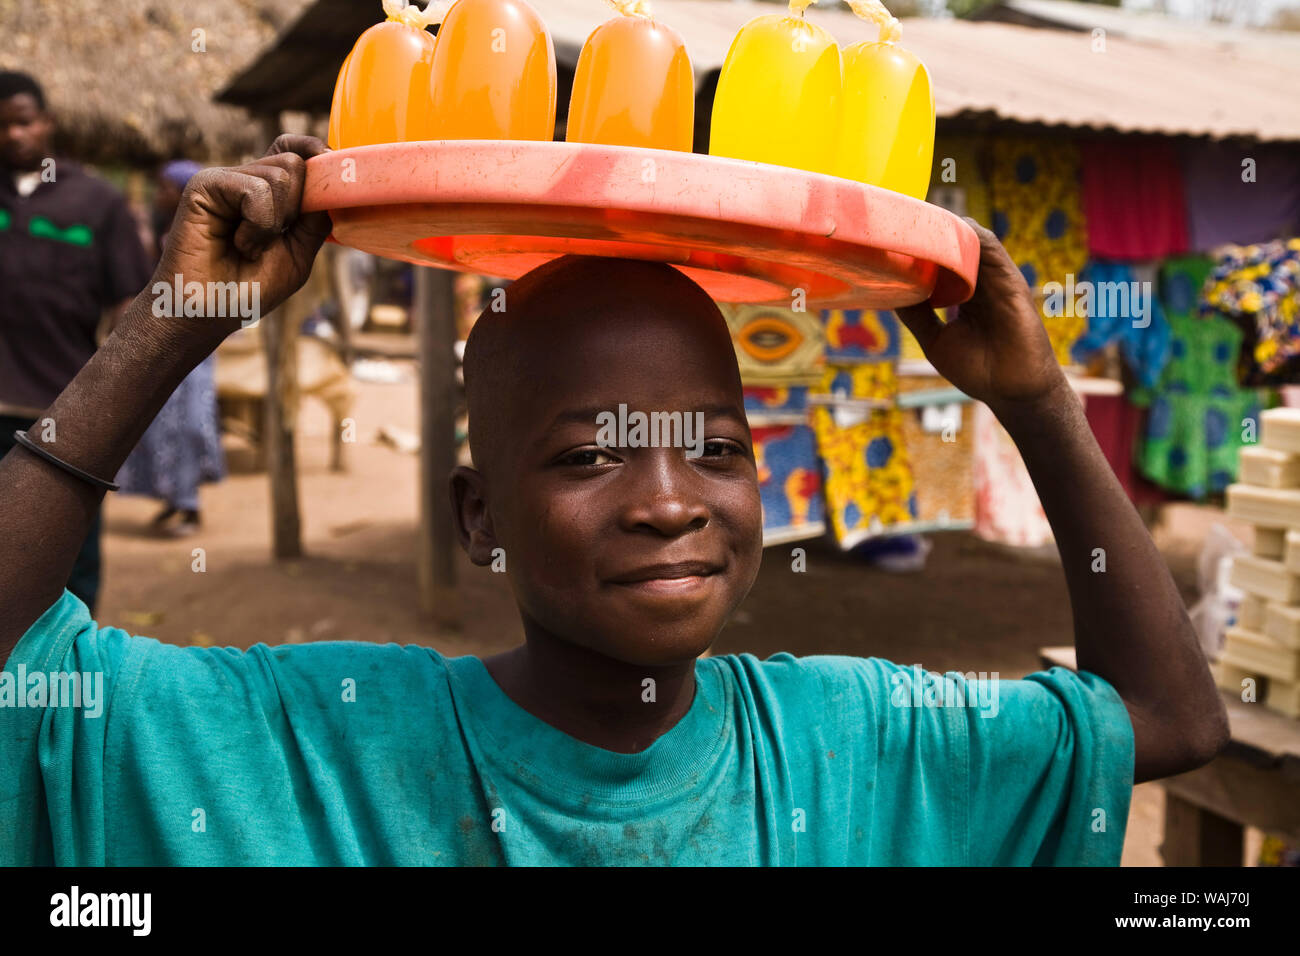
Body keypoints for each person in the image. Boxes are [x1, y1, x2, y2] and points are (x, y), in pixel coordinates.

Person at [0, 136, 1229, 865]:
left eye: (714, 448)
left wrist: (1040, 401)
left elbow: (1164, 715)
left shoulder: (852, 740)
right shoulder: (329, 740)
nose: (667, 501)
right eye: (591, 455)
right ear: (476, 515)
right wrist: (174, 321)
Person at [0, 70, 152, 611]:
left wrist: (111, 398)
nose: (13, 136)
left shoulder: (96, 203)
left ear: (47, 123)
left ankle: (72, 678)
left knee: (69, 552)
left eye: (23, 122)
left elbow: (129, 307)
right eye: (2, 126)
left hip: (63, 413)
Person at [115, 160, 225, 536]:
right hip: (161, 340)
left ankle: (189, 502)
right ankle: (176, 499)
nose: (158, 193)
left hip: (194, 341)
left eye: (165, 187)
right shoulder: (159, 230)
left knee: (193, 424)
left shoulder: (209, 232)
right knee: (162, 425)